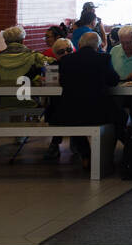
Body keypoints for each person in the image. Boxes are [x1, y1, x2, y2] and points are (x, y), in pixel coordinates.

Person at [44, 31, 125, 166]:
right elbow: (114, 81)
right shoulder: (103, 58)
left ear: (79, 44)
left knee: (76, 119)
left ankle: (86, 155)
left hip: (70, 113)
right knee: (121, 116)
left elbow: (63, 83)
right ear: (98, 46)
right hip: (99, 112)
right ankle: (122, 151)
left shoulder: (66, 60)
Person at [0, 25, 47, 110]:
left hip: (0, 102)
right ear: (22, 41)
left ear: (6, 42)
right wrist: (37, 77)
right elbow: (49, 66)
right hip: (28, 101)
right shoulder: (35, 56)